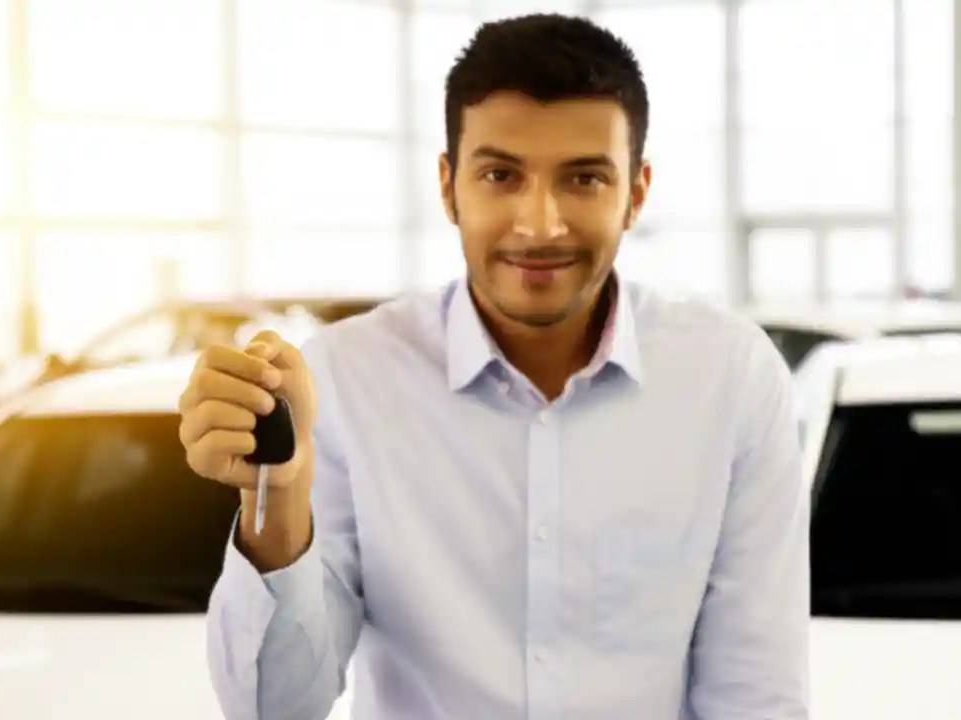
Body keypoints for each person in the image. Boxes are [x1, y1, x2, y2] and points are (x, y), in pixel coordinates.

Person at [179, 13, 808, 719]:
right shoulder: (346, 382)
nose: (539, 224)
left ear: (636, 192)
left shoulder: (731, 379)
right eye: (500, 174)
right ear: (449, 187)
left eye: (584, 178)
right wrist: (278, 502)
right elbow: (276, 707)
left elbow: (756, 697)